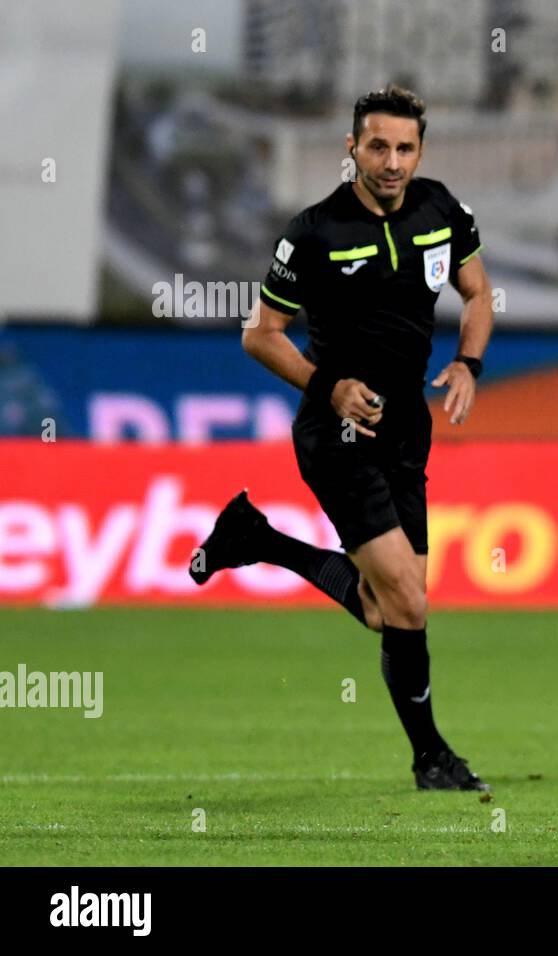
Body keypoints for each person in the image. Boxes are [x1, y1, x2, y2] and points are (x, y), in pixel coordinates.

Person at [190, 84, 492, 792]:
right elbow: (259, 335)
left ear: (420, 151)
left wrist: (470, 363)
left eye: (405, 148)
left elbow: (478, 294)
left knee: (388, 606)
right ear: (351, 148)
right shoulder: (314, 231)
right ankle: (432, 759)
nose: (391, 162)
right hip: (339, 429)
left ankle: (254, 539)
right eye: (378, 146)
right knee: (409, 606)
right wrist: (329, 387)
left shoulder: (442, 211)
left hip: (407, 428)